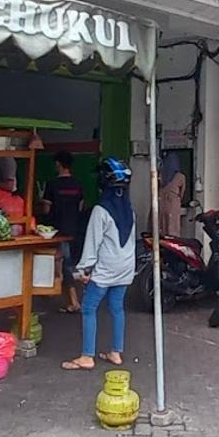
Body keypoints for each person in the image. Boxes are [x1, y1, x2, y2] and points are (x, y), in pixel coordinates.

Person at [63, 157, 133, 371]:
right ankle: (116, 352)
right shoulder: (129, 209)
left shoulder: (101, 210)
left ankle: (87, 356)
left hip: (106, 268)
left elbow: (92, 244)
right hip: (125, 266)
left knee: (89, 308)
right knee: (117, 308)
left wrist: (84, 270)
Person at [41, 151, 88, 314]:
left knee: (64, 262)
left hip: (57, 230)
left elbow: (46, 209)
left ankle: (73, 301)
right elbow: (81, 206)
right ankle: (61, 291)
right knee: (65, 261)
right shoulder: (78, 184)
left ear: (58, 164)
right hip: (74, 228)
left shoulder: (52, 184)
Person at [157, 152, 186, 238]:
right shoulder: (181, 176)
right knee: (172, 225)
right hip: (173, 202)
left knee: (162, 224)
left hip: (160, 201)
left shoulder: (160, 175)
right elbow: (182, 193)